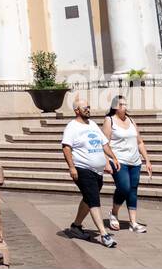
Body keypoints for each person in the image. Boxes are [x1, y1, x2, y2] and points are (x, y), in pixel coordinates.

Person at [61, 97, 120, 248]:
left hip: (97, 171)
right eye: (85, 107)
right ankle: (104, 234)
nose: (88, 109)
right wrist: (72, 167)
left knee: (88, 198)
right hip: (82, 169)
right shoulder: (72, 127)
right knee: (94, 200)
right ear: (76, 111)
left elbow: (104, 143)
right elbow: (66, 147)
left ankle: (76, 226)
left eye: (88, 106)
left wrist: (113, 157)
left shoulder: (92, 124)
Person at [104, 95, 152, 232]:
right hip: (118, 161)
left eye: (125, 103)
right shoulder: (109, 120)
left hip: (135, 161)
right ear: (115, 107)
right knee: (124, 187)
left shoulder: (131, 120)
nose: (125, 106)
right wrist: (107, 162)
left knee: (133, 189)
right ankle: (114, 213)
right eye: (122, 104)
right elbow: (104, 143)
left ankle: (133, 222)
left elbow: (140, 142)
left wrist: (147, 160)